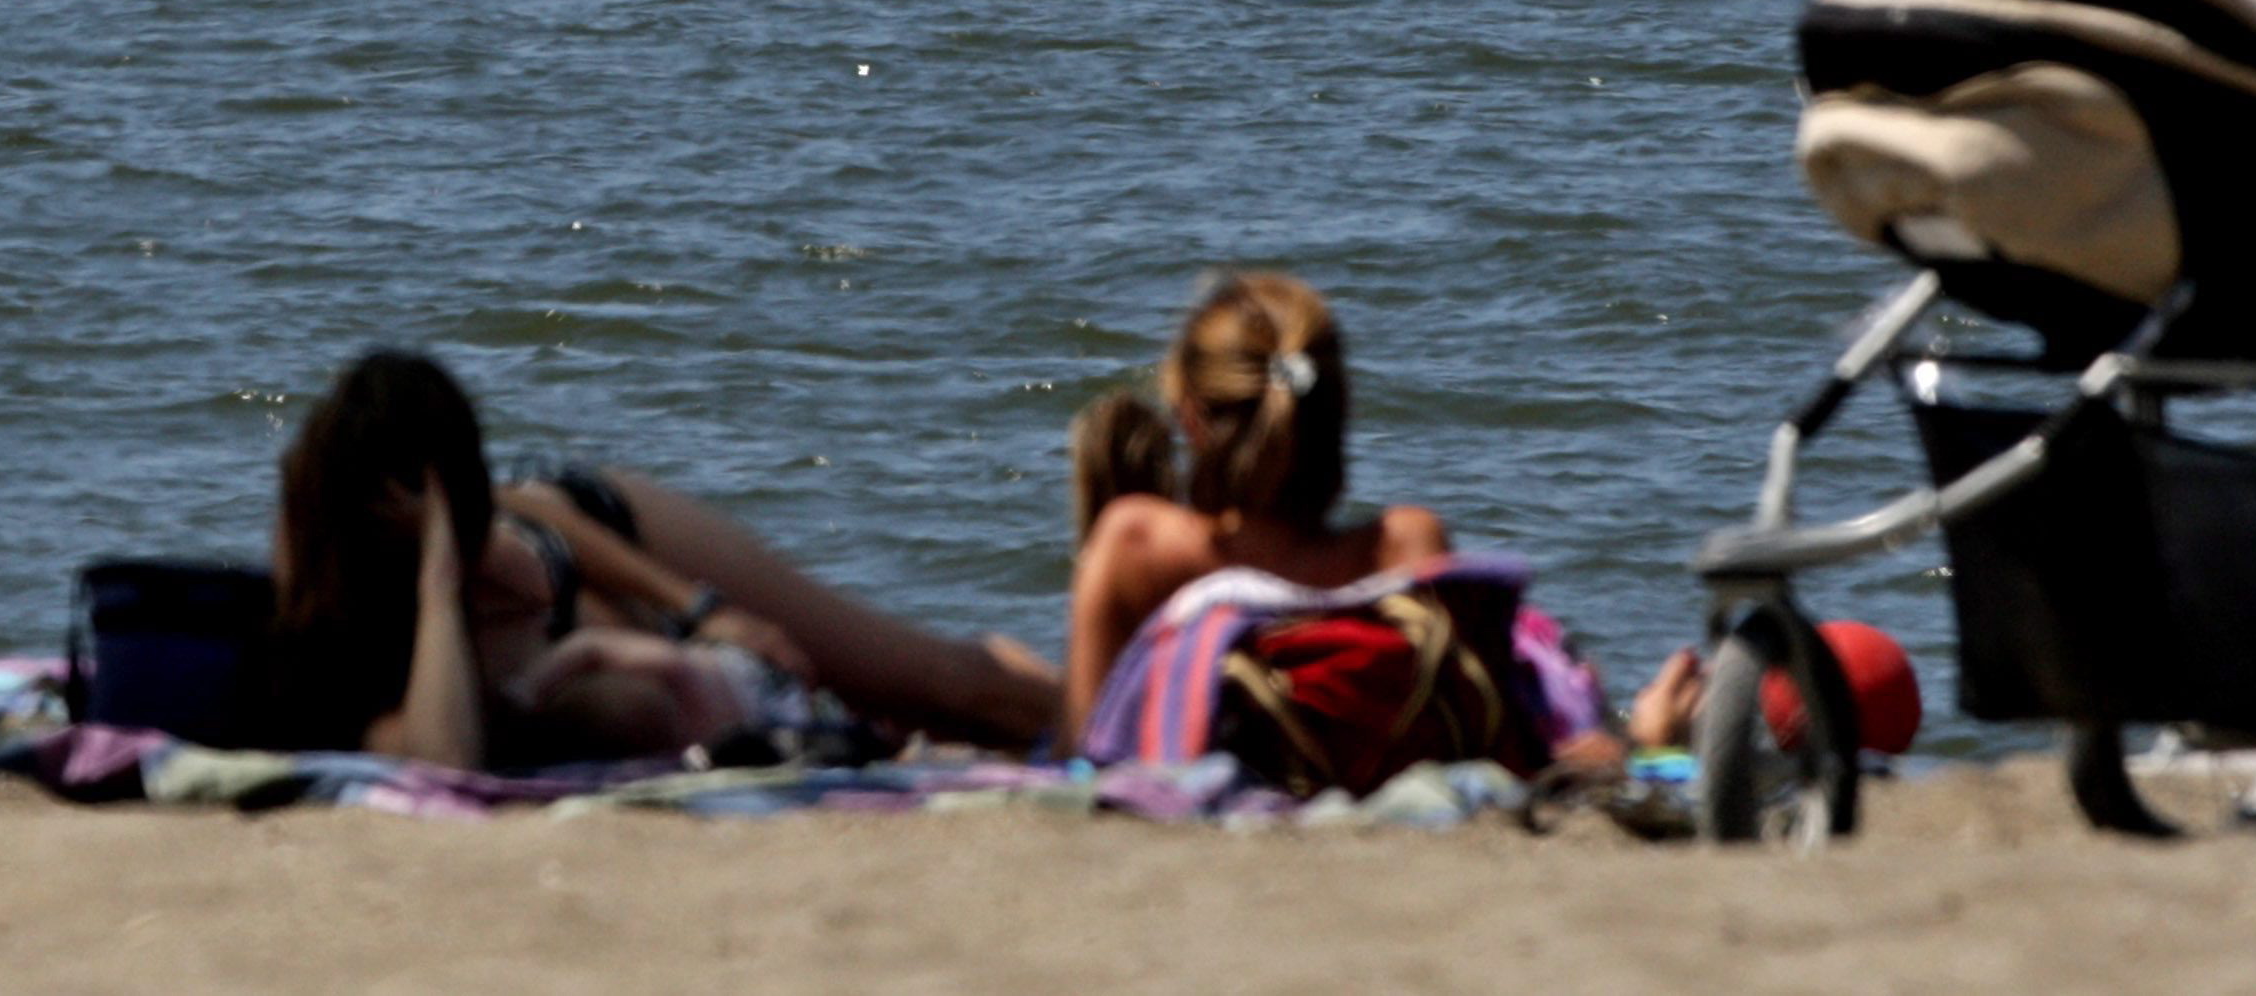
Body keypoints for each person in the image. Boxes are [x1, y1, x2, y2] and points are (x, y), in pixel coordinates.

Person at [274, 349, 1057, 769]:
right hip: (632, 650)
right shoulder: (366, 629)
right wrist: (441, 585)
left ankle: (1095, 709)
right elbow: (441, 759)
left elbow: (538, 507)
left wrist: (703, 609)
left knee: (948, 684)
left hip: (622, 531)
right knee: (908, 712)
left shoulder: (490, 509)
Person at [1062, 274, 1704, 768]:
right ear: (1337, 415)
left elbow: (1084, 753)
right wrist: (1639, 747)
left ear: (1190, 421)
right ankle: (1655, 732)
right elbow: (1482, 740)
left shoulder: (1137, 544)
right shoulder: (1404, 547)